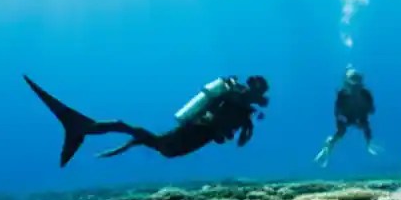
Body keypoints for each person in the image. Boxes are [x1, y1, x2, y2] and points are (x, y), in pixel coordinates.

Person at [24, 74, 269, 166]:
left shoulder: (239, 105)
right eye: (259, 92)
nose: (259, 97)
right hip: (190, 136)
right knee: (155, 142)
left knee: (151, 141)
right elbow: (239, 138)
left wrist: (244, 121)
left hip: (188, 139)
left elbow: (239, 137)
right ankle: (84, 127)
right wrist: (243, 121)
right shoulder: (235, 101)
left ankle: (85, 128)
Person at [314, 67, 377, 167]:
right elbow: (337, 112)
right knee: (341, 132)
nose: (355, 85)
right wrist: (343, 119)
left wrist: (365, 112)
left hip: (359, 116)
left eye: (357, 81)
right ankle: (328, 146)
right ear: (347, 83)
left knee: (365, 126)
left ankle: (369, 144)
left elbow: (372, 109)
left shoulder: (366, 94)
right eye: (353, 81)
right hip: (346, 117)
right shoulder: (342, 95)